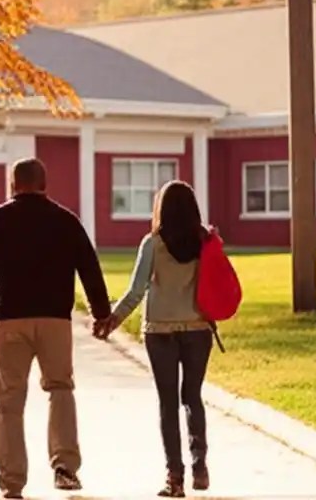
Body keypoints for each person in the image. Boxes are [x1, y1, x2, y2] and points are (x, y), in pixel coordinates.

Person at [0, 157, 112, 499]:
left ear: (13, 184)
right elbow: (89, 266)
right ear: (44, 184)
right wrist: (101, 312)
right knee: (60, 389)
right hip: (55, 321)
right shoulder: (65, 220)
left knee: (9, 403)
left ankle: (12, 481)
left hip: (10, 320)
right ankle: (64, 467)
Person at [96, 180, 214, 498]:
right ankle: (200, 466)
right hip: (198, 329)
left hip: (160, 332)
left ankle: (174, 478)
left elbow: (137, 291)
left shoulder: (152, 243)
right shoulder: (206, 242)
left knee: (168, 403)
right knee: (193, 396)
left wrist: (113, 320)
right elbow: (217, 282)